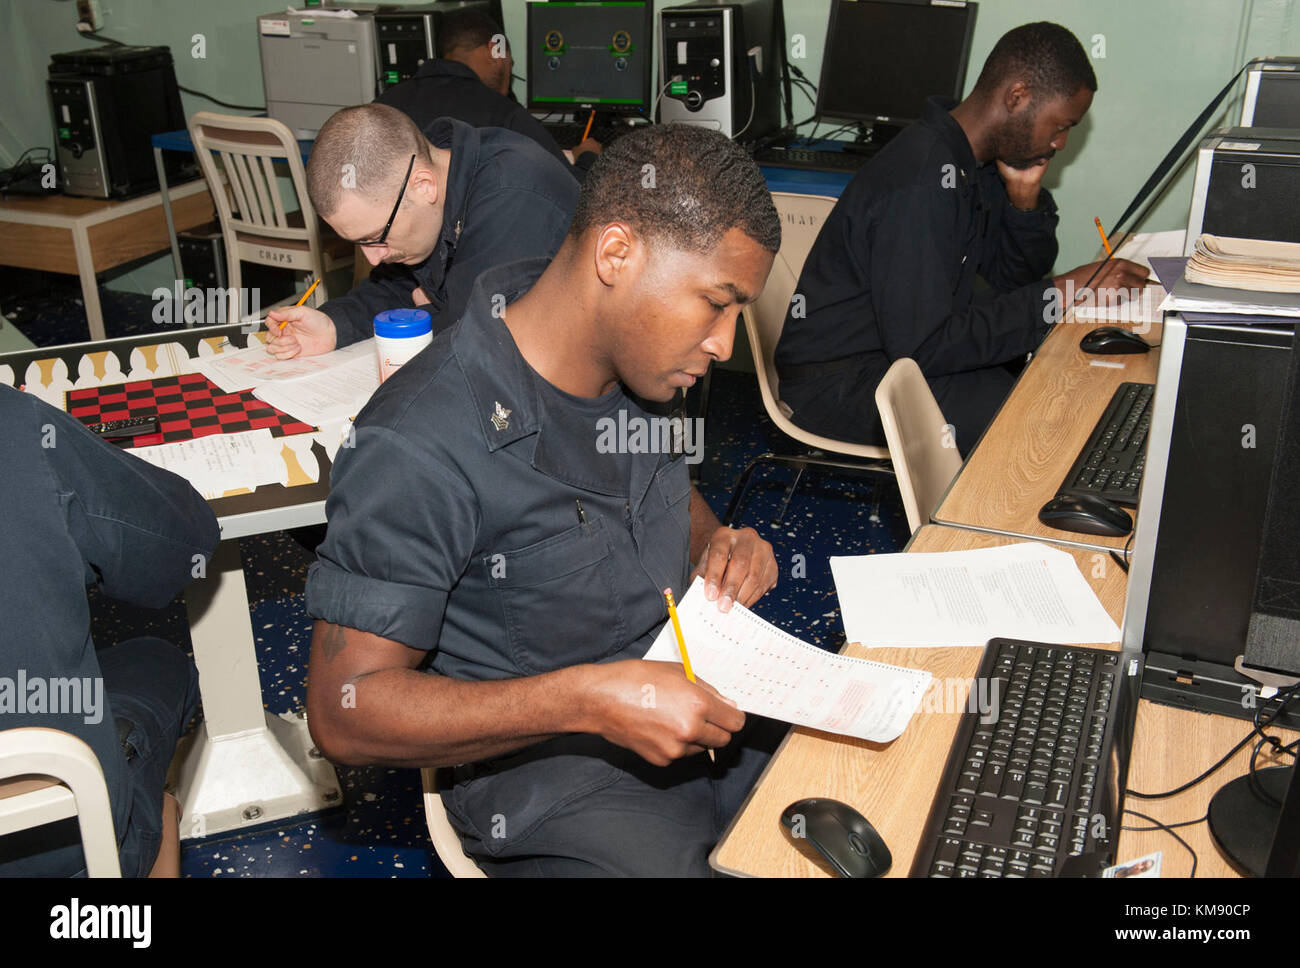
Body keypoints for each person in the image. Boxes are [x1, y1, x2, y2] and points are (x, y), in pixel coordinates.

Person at [304, 124, 784, 876]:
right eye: (716, 303)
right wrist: (588, 701)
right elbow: (343, 711)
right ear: (616, 255)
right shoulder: (417, 442)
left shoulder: (645, 362)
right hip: (552, 783)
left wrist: (716, 540)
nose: (725, 343)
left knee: (885, 791)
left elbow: (658, 487)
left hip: (690, 701)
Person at [774, 21, 1150, 454]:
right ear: (1017, 97)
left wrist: (1023, 201)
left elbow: (1012, 279)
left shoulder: (971, 160)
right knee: (1045, 425)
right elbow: (923, 347)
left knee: (1055, 387)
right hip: (840, 382)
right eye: (1062, 125)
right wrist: (1061, 293)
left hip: (899, 354)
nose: (1061, 142)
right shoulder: (923, 182)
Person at [0, 384, 219, 877]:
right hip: (62, 847)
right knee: (157, 662)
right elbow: (183, 544)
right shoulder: (15, 421)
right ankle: (152, 825)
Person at [266, 102, 579, 359]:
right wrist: (334, 325)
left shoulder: (513, 197)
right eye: (357, 244)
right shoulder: (427, 189)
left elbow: (478, 346)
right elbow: (395, 289)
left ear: (423, 185)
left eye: (375, 238)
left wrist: (428, 309)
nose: (373, 259)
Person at [376, 9, 600, 172]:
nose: (509, 70)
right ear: (496, 50)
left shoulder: (381, 107)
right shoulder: (503, 114)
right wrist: (587, 157)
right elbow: (570, 187)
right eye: (509, 62)